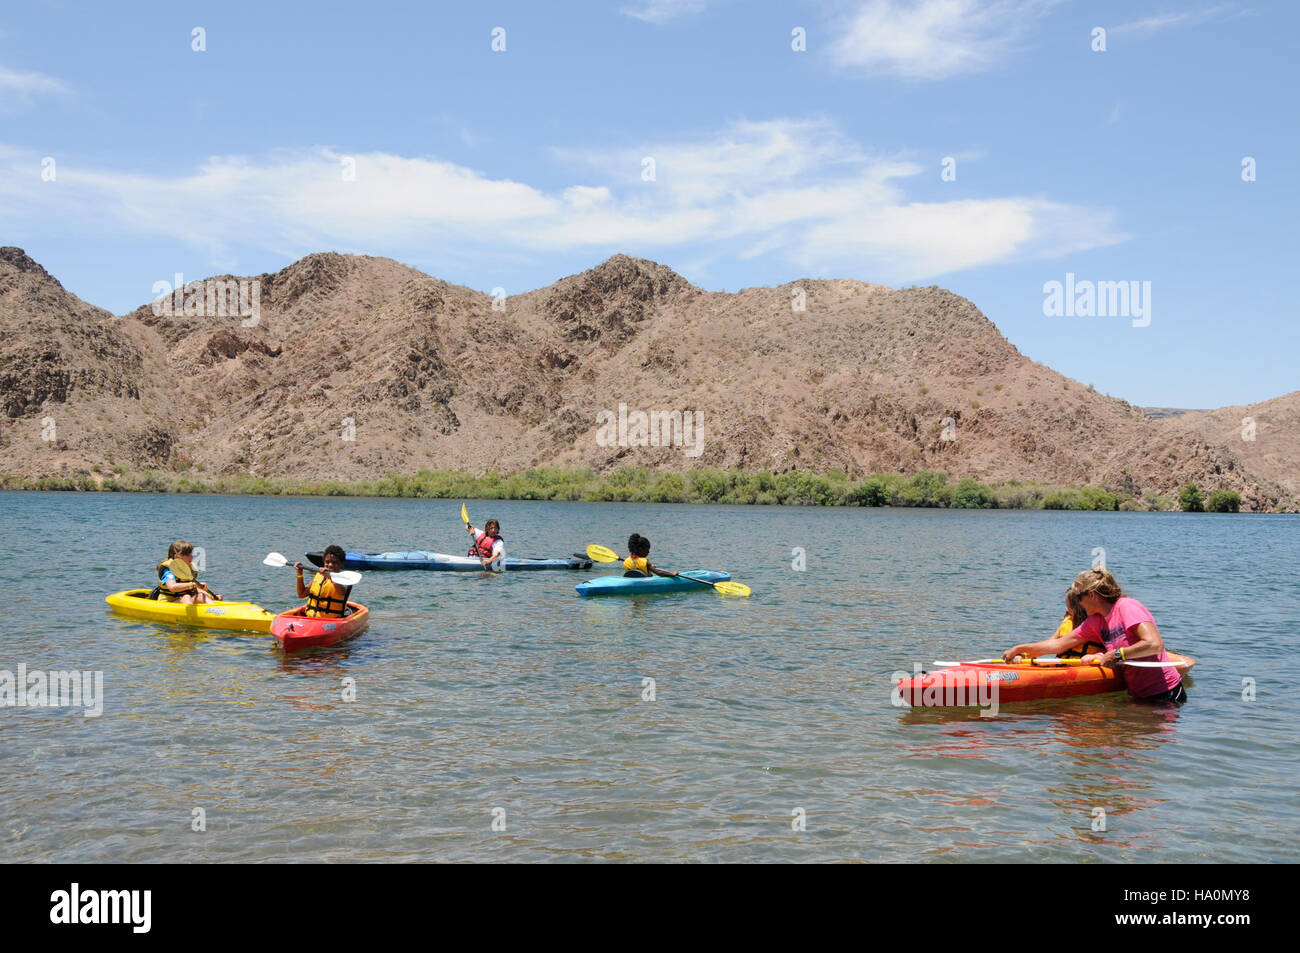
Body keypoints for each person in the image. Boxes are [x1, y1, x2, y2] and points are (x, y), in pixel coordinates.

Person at [1003, 569, 1186, 704]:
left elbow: (1154, 644)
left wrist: (1116, 655)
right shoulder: (1095, 622)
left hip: (1166, 693)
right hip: (1138, 695)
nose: (1078, 604)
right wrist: (1021, 648)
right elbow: (1058, 646)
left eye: (1079, 598)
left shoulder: (1126, 607)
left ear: (1091, 595)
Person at [293, 545, 352, 618]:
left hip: (331, 621)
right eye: (327, 562)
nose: (330, 565)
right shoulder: (319, 575)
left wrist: (330, 577)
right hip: (310, 618)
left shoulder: (343, 578)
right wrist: (299, 574)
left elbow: (342, 592)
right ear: (323, 562)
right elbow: (301, 594)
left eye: (334, 562)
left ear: (341, 563)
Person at [155, 540, 221, 604]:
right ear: (177, 556)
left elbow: (189, 588)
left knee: (202, 595)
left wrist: (209, 594)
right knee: (186, 597)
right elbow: (172, 587)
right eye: (188, 555)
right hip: (168, 603)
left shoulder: (187, 568)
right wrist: (193, 585)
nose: (191, 557)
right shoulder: (168, 570)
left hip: (183, 599)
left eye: (191, 554)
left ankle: (217, 611)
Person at [1056, 589, 1105, 659]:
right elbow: (1052, 642)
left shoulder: (1096, 625)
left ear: (1078, 608)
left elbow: (1112, 649)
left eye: (1069, 606)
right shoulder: (1067, 621)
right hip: (1062, 665)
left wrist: (1099, 656)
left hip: (1085, 667)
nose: (1066, 609)